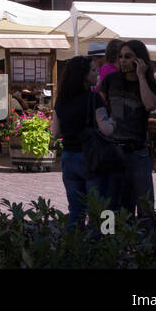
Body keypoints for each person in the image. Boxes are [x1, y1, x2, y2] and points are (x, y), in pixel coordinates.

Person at [94, 39, 156, 220]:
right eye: (120, 56)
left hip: (137, 151)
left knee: (145, 203)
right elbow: (98, 107)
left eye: (128, 57)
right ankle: (109, 243)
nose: (122, 60)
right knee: (110, 205)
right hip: (112, 149)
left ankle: (145, 245)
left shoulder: (150, 83)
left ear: (139, 59)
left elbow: (149, 105)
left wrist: (141, 77)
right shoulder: (110, 80)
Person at [52, 56, 101, 229]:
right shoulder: (94, 99)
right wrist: (114, 122)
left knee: (76, 209)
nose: (97, 74)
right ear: (83, 75)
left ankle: (75, 244)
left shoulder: (61, 101)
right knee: (102, 208)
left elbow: (55, 133)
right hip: (92, 157)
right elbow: (106, 129)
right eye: (94, 70)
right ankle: (105, 242)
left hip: (69, 158)